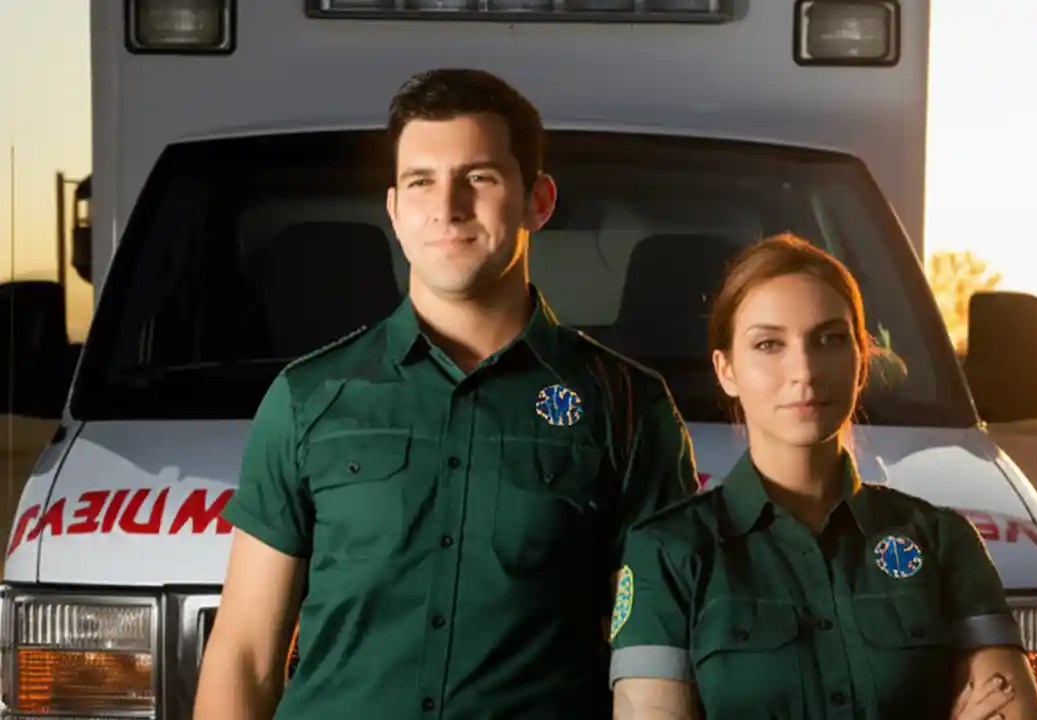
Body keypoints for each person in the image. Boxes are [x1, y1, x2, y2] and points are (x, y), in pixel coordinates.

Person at [194, 68, 698, 719]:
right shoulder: (306, 398)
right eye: (420, 182)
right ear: (394, 210)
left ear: (538, 200)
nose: (447, 207)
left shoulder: (628, 406)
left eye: (479, 178)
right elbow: (244, 656)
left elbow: (656, 659)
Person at [608, 234, 1037, 719]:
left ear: (862, 360)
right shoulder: (670, 554)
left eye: (830, 339)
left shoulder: (943, 544)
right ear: (726, 369)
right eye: (769, 344)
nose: (805, 370)